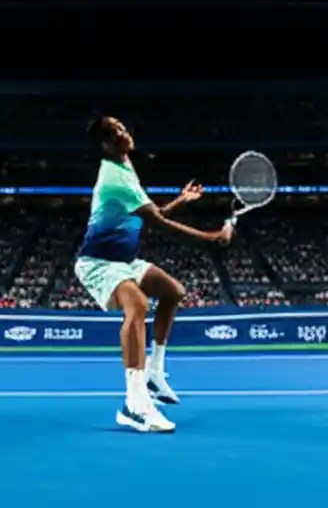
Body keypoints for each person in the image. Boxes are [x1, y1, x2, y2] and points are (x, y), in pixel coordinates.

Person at [76, 116, 234, 433]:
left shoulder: (125, 167)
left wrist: (180, 201)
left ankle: (154, 372)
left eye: (123, 126)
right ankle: (134, 403)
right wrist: (211, 238)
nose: (125, 133)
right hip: (98, 263)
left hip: (125, 259)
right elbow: (159, 224)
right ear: (105, 144)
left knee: (173, 291)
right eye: (117, 132)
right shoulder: (114, 178)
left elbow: (152, 214)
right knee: (137, 306)